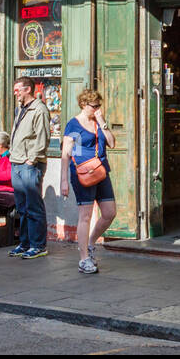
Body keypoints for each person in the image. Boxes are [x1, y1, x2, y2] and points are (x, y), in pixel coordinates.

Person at [60, 90, 116, 274]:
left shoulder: (98, 123)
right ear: (84, 105)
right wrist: (64, 181)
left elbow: (112, 143)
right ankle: (84, 258)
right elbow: (67, 153)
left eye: (99, 106)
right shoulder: (74, 125)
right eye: (95, 106)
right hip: (83, 172)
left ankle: (91, 242)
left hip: (101, 170)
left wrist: (102, 122)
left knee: (109, 212)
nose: (98, 109)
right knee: (86, 215)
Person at [8, 75, 50, 259]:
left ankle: (38, 245)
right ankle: (25, 243)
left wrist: (31, 160)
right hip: (16, 162)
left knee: (33, 206)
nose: (15, 93)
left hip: (29, 163)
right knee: (22, 207)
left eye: (18, 89)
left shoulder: (39, 110)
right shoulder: (21, 109)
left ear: (28, 90)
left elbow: (42, 137)